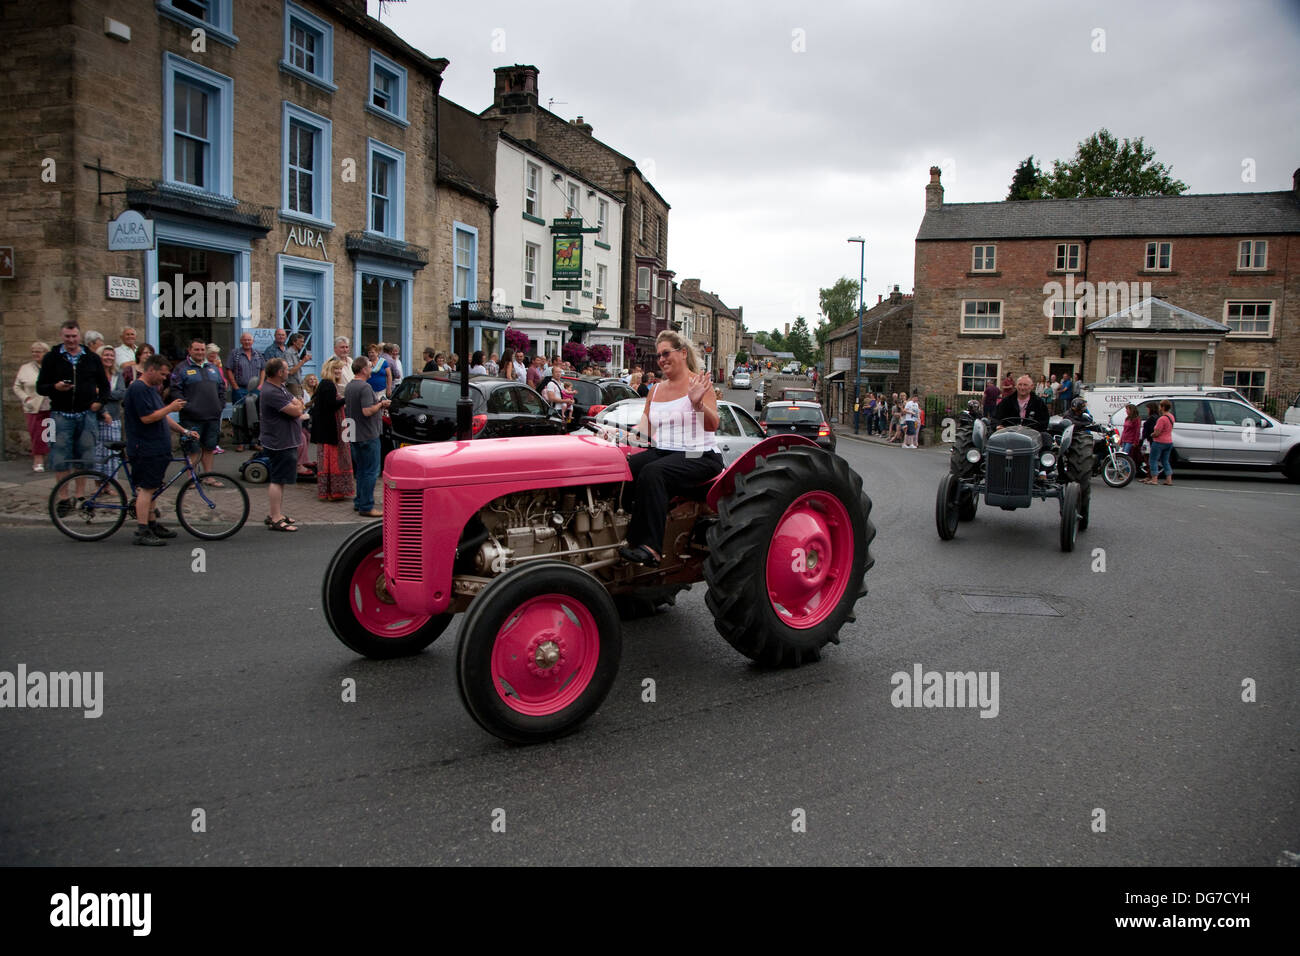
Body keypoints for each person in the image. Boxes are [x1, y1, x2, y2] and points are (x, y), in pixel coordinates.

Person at [618, 330, 723, 567]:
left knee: (653, 472)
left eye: (666, 353)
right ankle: (620, 531)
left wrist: (697, 403)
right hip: (665, 450)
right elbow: (645, 430)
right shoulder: (655, 390)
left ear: (682, 353)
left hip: (699, 453)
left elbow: (712, 424)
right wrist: (617, 435)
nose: (662, 359)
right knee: (625, 467)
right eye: (658, 356)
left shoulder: (698, 383)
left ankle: (650, 548)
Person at [37, 320, 110, 508]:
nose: (71, 340)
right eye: (67, 336)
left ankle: (79, 495)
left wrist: (99, 403)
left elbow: (105, 386)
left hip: (86, 414)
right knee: (60, 457)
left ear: (79, 336)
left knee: (84, 456)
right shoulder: (51, 358)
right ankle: (63, 497)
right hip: (59, 415)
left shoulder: (92, 358)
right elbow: (40, 387)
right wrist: (55, 387)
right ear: (62, 336)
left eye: (74, 336)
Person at [123, 355, 195, 546]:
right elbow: (147, 418)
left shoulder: (151, 390)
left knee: (153, 487)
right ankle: (142, 530)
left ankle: (152, 523)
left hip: (156, 447)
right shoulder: (138, 389)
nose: (165, 378)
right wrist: (171, 407)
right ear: (151, 370)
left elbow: (162, 416)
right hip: (145, 447)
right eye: (162, 374)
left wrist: (183, 430)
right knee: (146, 489)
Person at [260, 358, 306, 531]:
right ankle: (275, 518)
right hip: (279, 442)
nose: (289, 372)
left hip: (285, 440)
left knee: (280, 480)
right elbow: (296, 409)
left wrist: (297, 405)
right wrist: (298, 406)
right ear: (279, 373)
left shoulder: (280, 388)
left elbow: (297, 402)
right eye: (286, 369)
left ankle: (276, 512)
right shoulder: (272, 391)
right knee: (277, 480)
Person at [170, 337, 226, 478]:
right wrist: (188, 407)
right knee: (193, 449)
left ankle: (208, 477)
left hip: (212, 416)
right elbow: (175, 390)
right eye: (196, 349)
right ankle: (192, 479)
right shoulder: (181, 368)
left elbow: (221, 389)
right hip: (191, 418)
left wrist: (220, 406)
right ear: (189, 350)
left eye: (202, 349)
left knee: (209, 448)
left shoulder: (213, 368)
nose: (200, 352)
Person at [344, 355, 389, 517]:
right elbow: (367, 411)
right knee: (371, 471)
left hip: (354, 434)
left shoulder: (350, 386)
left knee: (362, 471)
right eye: (369, 366)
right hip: (368, 434)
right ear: (363, 370)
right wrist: (381, 404)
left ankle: (360, 501)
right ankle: (367, 506)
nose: (371, 369)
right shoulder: (364, 388)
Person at [311, 359, 354, 501]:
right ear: (330, 370)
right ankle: (333, 492)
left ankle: (331, 491)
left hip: (326, 429)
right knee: (332, 460)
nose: (339, 372)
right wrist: (345, 399)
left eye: (340, 369)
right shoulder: (328, 384)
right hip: (329, 430)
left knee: (328, 460)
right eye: (336, 369)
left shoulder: (325, 384)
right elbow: (331, 405)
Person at [13, 341, 52, 472]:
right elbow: (17, 387)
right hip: (33, 406)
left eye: (38, 351)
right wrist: (26, 398)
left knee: (50, 434)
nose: (35, 354)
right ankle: (38, 460)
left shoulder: (52, 366)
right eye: (33, 351)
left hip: (50, 405)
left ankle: (51, 458)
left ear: (46, 353)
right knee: (36, 434)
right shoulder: (25, 368)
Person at [229, 331, 266, 451]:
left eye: (249, 340)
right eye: (245, 340)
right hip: (240, 388)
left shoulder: (258, 354)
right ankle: (240, 443)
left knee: (255, 417)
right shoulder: (235, 354)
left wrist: (260, 385)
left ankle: (254, 442)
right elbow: (228, 370)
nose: (247, 342)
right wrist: (235, 386)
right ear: (241, 341)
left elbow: (263, 370)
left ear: (253, 341)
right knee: (240, 416)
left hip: (255, 390)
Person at [95, 346, 127, 475]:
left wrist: (103, 393)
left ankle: (111, 483)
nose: (109, 358)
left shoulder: (117, 374)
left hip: (115, 418)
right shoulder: (95, 375)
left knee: (114, 454)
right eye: (106, 355)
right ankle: (98, 484)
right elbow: (93, 396)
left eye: (111, 355)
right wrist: (103, 410)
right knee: (98, 452)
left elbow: (121, 394)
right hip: (98, 417)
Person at [1147, 399, 1175, 486]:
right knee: (1165, 461)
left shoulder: (1162, 419)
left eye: (1160, 406)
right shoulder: (1171, 416)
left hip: (1159, 442)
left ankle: (1154, 479)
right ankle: (1169, 479)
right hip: (1169, 441)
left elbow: (1157, 432)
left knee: (1153, 460)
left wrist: (1152, 435)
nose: (1159, 407)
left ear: (1163, 407)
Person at [284, 332, 310, 398]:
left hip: (298, 383)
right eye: (301, 342)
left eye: (303, 342)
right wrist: (303, 361)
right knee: (297, 405)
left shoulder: (296, 353)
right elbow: (291, 371)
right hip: (292, 384)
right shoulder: (288, 353)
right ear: (294, 342)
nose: (303, 344)